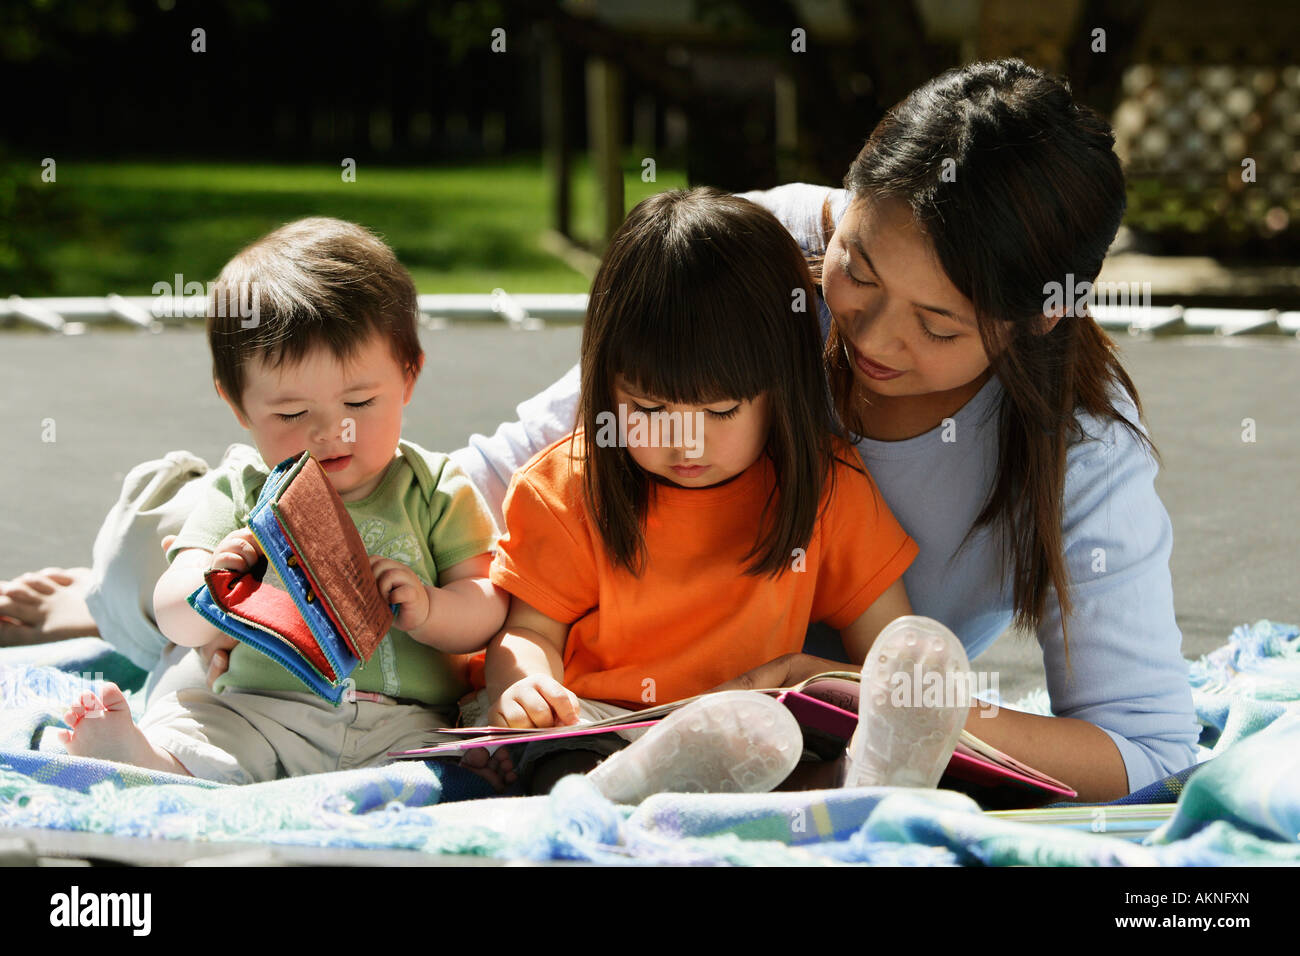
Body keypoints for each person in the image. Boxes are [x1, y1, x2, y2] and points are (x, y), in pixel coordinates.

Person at [3, 59, 1199, 802]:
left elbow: (1140, 747)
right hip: (603, 651)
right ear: (839, 209)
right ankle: (106, 591)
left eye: (939, 323)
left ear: (1040, 321)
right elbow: (536, 463)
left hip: (795, 715)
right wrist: (396, 574)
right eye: (857, 271)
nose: (876, 337)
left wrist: (858, 691)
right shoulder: (762, 251)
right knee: (215, 579)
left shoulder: (1081, 455)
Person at [460, 187, 966, 797]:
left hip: (752, 736)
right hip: (603, 723)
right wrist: (527, 686)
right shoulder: (568, 488)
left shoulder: (827, 487)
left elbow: (888, 646)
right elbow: (528, 632)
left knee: (791, 740)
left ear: (780, 388)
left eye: (721, 410)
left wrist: (883, 693)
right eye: (649, 408)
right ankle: (620, 791)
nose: (686, 444)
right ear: (605, 386)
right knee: (554, 757)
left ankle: (853, 778)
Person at [56, 217, 509, 784]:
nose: (330, 433)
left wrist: (433, 608)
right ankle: (145, 762)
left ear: (409, 375)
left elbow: (489, 603)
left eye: (361, 402)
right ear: (239, 405)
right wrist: (210, 587)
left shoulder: (434, 486)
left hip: (409, 722)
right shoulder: (241, 487)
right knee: (198, 728)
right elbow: (176, 610)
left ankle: (424, 788)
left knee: (471, 752)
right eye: (292, 414)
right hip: (264, 711)